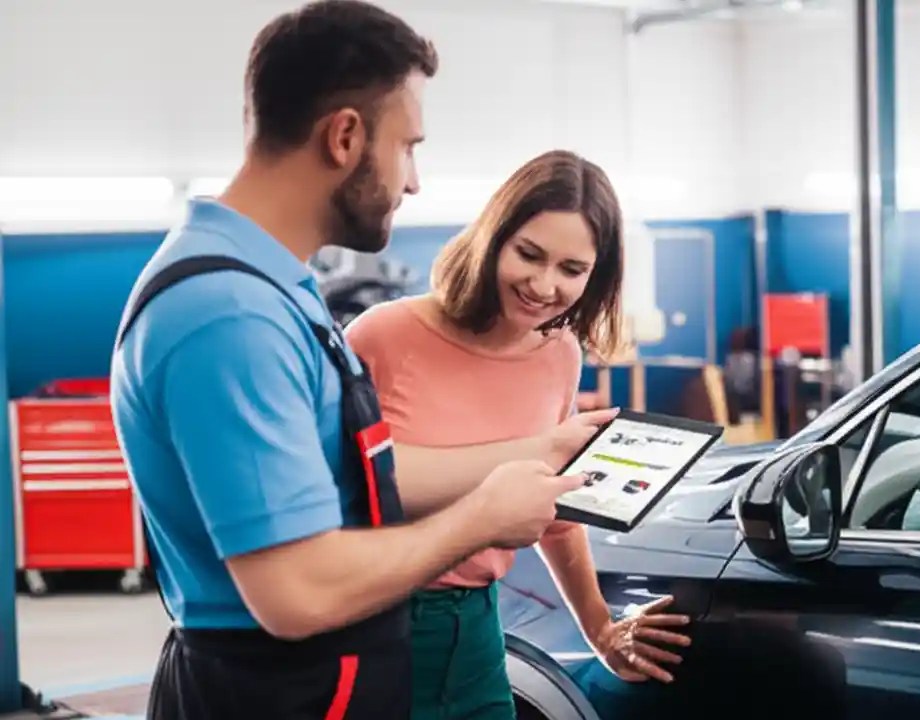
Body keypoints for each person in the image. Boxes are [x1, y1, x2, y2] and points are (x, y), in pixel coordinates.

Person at [109, 3, 584, 718]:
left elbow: (358, 476)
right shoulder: (230, 315)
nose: (413, 180)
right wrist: (480, 517)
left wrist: (540, 451)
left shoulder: (276, 290)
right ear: (345, 136)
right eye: (408, 147)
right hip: (271, 691)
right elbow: (299, 592)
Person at [344, 149, 693, 719]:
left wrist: (602, 629)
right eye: (528, 254)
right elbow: (337, 487)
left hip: (477, 630)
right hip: (371, 628)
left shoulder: (558, 355)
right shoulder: (382, 337)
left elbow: (553, 513)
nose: (542, 285)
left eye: (571, 270)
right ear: (492, 238)